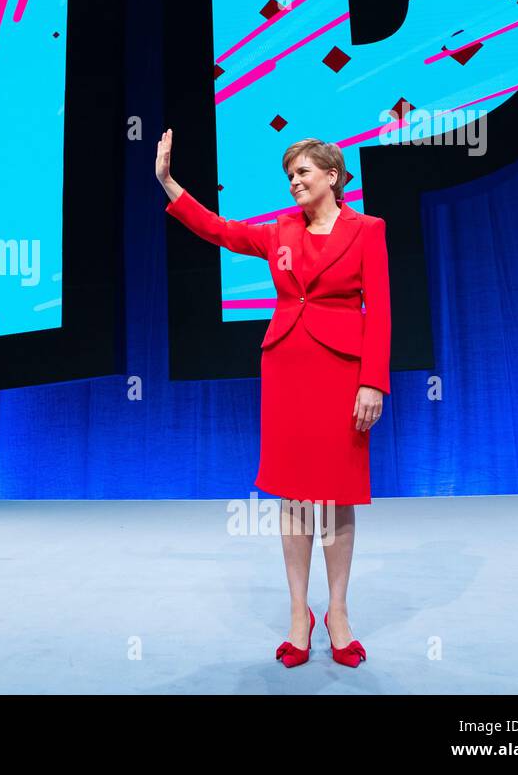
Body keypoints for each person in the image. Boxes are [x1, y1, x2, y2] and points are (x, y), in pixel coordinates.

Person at [156, 129, 390, 669]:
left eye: (303, 172)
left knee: (337, 493)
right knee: (292, 493)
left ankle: (337, 613)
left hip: (343, 371)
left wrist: (372, 380)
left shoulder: (368, 230)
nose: (294, 182)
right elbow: (219, 230)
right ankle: (296, 614)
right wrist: (169, 183)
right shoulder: (281, 229)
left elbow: (379, 309)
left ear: (332, 176)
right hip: (287, 369)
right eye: (290, 176)